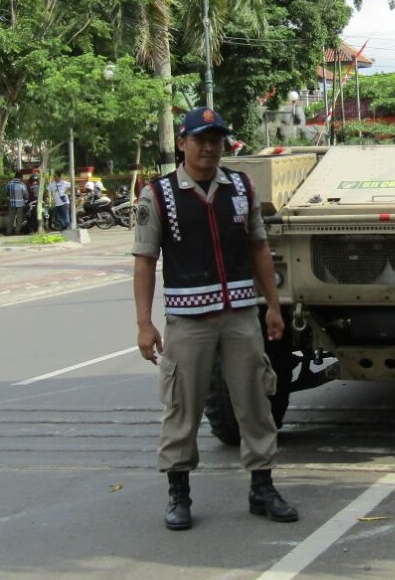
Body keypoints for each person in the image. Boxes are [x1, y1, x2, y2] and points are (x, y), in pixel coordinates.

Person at [132, 106, 298, 531]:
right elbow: (145, 260)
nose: (209, 147)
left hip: (241, 315)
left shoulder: (241, 187)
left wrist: (273, 307)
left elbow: (260, 248)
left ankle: (262, 488)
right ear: (183, 143)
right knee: (182, 406)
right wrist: (144, 323)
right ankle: (179, 493)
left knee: (255, 400)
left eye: (216, 139)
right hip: (188, 321)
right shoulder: (159, 194)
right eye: (200, 139)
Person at [5, 171, 28, 235]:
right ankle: (17, 231)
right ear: (21, 177)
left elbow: (6, 191)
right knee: (19, 217)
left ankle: (9, 232)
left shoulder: (9, 183)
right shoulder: (22, 184)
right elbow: (25, 194)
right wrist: (25, 199)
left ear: (15, 176)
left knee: (11, 217)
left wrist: (9, 197)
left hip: (11, 203)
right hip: (20, 203)